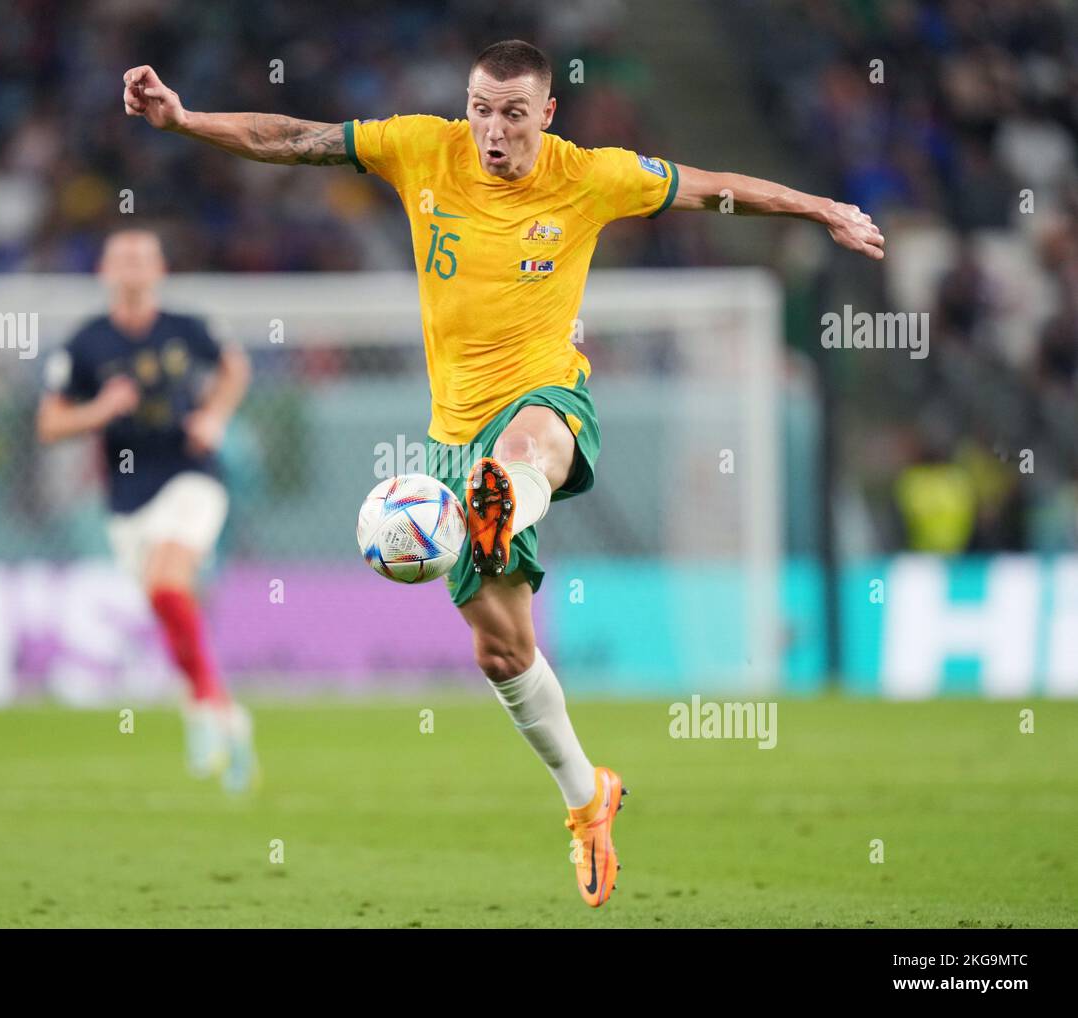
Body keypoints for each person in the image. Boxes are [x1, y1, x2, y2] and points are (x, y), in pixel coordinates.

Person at [121, 39, 883, 904]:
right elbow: (295, 137)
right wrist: (184, 118)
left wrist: (823, 208)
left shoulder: (591, 175)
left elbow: (715, 187)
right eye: (481, 108)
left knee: (528, 449)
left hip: (547, 394)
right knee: (501, 649)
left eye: (513, 113)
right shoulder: (422, 148)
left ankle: (502, 503)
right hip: (451, 435)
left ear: (547, 114)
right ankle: (587, 797)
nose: (492, 129)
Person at [36, 229, 257, 792]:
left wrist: (214, 417)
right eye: (122, 259)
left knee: (166, 583)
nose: (133, 268)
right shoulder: (85, 343)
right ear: (104, 271)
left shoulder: (188, 328)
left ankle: (205, 703)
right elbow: (50, 424)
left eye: (143, 258)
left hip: (191, 474)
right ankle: (221, 710)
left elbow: (235, 367)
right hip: (127, 497)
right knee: (170, 602)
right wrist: (100, 411)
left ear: (160, 269)